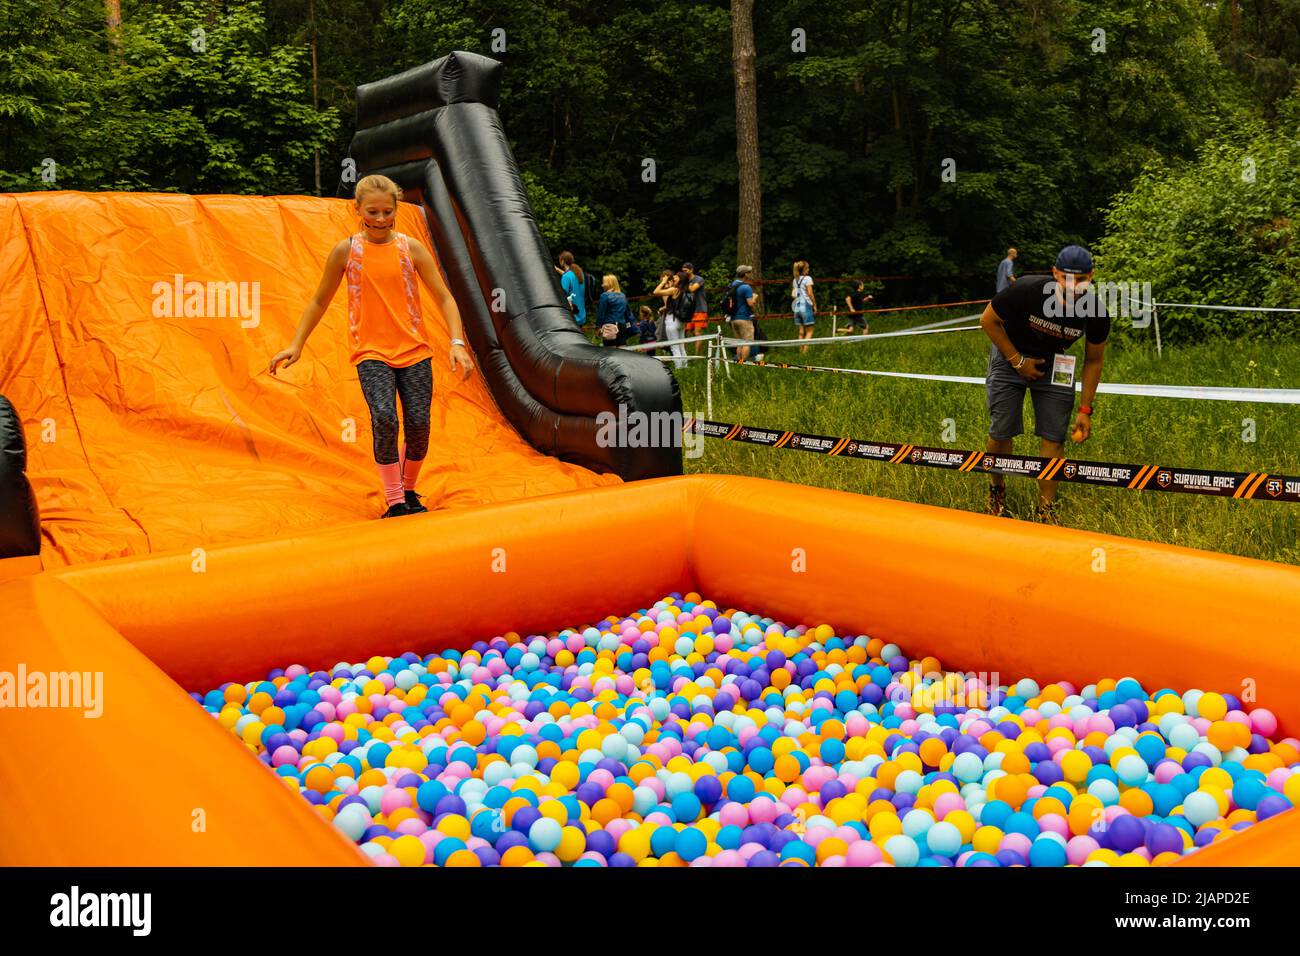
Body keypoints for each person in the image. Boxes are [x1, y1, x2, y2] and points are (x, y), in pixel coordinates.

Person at [269, 174, 476, 518]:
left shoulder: (410, 248)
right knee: (383, 418)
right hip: (371, 352)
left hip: (414, 351)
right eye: (373, 212)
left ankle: (410, 490)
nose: (380, 220)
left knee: (419, 423)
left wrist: (457, 342)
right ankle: (395, 500)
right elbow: (319, 300)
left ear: (396, 210)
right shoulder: (347, 251)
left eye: (387, 212)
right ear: (358, 210)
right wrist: (296, 344)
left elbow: (445, 297)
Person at [979, 244, 1109, 524]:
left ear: (1092, 276)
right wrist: (1017, 361)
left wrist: (1086, 410)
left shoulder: (1096, 310)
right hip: (1009, 353)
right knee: (1002, 429)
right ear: (1054, 273)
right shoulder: (1027, 289)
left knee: (1054, 435)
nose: (1073, 286)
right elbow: (988, 320)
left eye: (1082, 280)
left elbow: (1094, 361)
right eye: (1066, 278)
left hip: (1055, 363)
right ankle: (997, 488)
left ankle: (1046, 509)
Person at [722, 265, 759, 363]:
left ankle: (738, 362)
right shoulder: (746, 287)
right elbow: (750, 303)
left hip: (733, 318)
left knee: (739, 342)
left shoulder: (731, 285)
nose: (750, 274)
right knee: (747, 342)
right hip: (744, 318)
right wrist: (755, 297)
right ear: (745, 274)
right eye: (748, 272)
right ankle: (743, 363)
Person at [652, 270, 688, 370]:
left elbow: (656, 292)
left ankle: (679, 369)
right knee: (681, 346)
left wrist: (663, 282)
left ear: (680, 280)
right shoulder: (685, 289)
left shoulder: (674, 290)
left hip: (672, 321)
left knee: (674, 347)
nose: (673, 279)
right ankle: (685, 368)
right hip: (681, 321)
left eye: (675, 278)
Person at [595, 274, 634, 346]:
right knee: (622, 351)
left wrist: (597, 327)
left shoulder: (604, 296)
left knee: (610, 352)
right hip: (622, 326)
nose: (602, 285)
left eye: (604, 282)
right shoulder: (623, 296)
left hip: (609, 327)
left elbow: (601, 314)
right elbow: (628, 313)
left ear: (609, 284)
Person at [680, 262, 708, 354]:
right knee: (686, 333)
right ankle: (686, 355)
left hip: (700, 309)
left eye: (686, 271)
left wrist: (684, 282)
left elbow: (692, 289)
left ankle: (698, 357)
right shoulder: (684, 281)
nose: (684, 272)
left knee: (697, 333)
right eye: (683, 271)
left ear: (691, 270)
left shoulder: (699, 279)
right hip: (689, 311)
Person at [792, 260, 816, 352]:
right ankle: (805, 352)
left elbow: (793, 294)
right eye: (808, 268)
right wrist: (814, 304)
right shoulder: (808, 279)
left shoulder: (795, 280)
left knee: (801, 332)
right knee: (810, 331)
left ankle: (800, 351)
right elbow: (810, 293)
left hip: (797, 305)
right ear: (804, 269)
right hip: (806, 305)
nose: (809, 270)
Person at [559, 251, 587, 326]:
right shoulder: (579, 274)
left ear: (563, 261)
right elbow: (568, 276)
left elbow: (563, 295)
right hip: (581, 315)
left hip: (572, 317)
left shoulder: (566, 276)